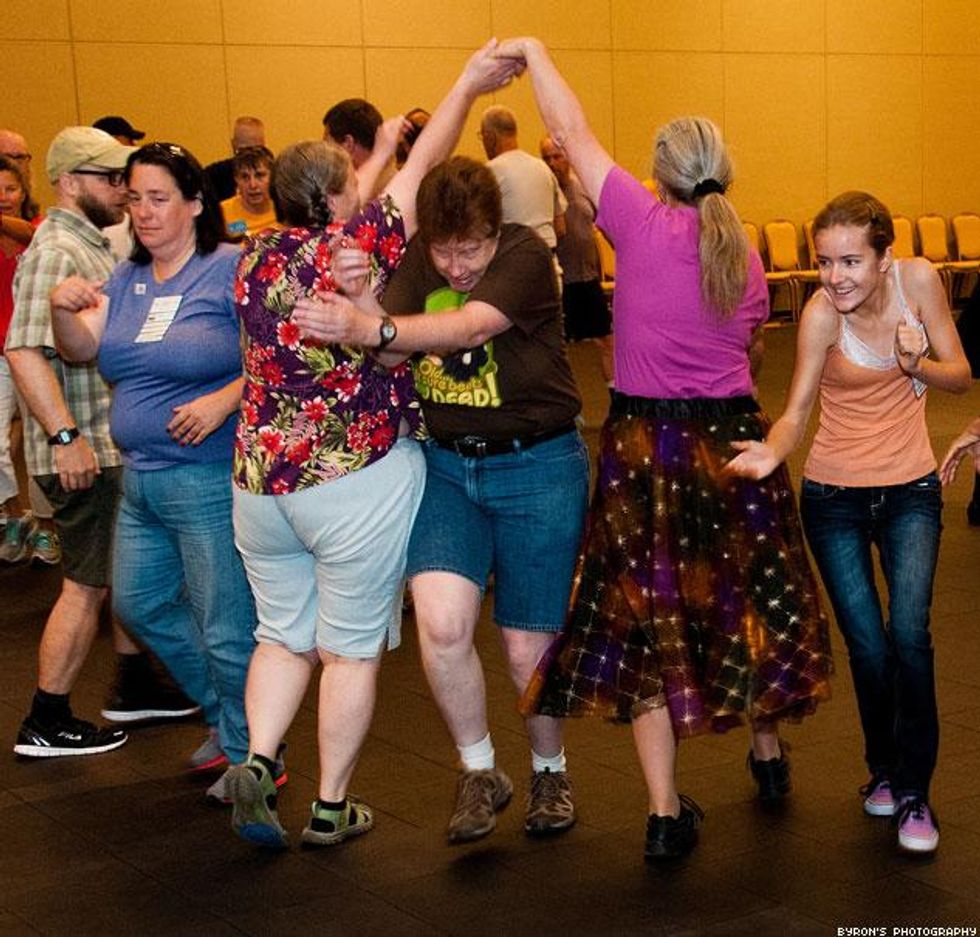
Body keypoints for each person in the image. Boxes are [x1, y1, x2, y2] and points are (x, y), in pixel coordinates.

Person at [494, 38, 833, 861]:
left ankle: (661, 812)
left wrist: (537, 52)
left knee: (649, 620)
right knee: (745, 602)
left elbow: (568, 127)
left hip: (643, 450)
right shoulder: (745, 257)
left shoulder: (638, 222)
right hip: (732, 446)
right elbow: (748, 354)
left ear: (659, 171)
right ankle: (765, 748)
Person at [224, 42, 521, 850]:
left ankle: (255, 758)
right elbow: (427, 163)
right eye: (351, 181)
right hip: (351, 477)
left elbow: (391, 168)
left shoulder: (251, 259)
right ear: (333, 196)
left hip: (258, 482)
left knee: (281, 634)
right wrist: (464, 82)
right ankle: (330, 804)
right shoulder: (355, 250)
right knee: (349, 650)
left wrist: (378, 149)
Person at [294, 153, 589, 845]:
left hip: (538, 464)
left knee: (524, 647)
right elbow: (392, 355)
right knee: (444, 626)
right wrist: (367, 297)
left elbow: (469, 328)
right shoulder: (421, 265)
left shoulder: (524, 256)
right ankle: (480, 768)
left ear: (496, 231)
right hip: (450, 468)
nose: (457, 267)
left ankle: (550, 767)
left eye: (471, 249)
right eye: (445, 249)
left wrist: (370, 325)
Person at [727, 191, 971, 855]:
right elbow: (797, 409)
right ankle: (885, 767)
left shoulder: (918, 281)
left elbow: (961, 376)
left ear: (884, 256)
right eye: (824, 261)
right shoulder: (817, 316)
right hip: (833, 495)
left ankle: (916, 791)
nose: (835, 276)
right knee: (867, 644)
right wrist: (774, 449)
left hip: (912, 487)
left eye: (851, 261)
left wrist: (917, 362)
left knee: (911, 633)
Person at [47, 141, 264, 799]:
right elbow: (81, 346)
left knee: (224, 622)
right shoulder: (127, 278)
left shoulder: (231, 267)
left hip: (205, 476)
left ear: (196, 204)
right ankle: (233, 723)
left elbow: (279, 356)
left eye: (158, 197)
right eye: (134, 197)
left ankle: (257, 749)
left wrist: (222, 399)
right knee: (140, 605)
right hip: (141, 477)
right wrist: (61, 306)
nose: (143, 211)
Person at [6, 127, 199, 758]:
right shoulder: (55, 248)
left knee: (117, 577)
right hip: (81, 445)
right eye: (110, 178)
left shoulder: (91, 246)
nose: (125, 191)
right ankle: (46, 715)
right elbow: (23, 349)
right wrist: (66, 438)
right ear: (68, 182)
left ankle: (136, 682)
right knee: (86, 584)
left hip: (101, 443)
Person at [0, 155, 47, 562]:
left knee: (42, 442)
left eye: (10, 189)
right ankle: (18, 516)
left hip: (36, 349)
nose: (3, 198)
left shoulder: (38, 229)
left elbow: (30, 237)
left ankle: (51, 528)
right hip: (0, 353)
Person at [540, 134, 613, 386]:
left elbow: (607, 224)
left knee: (606, 341)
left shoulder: (584, 188)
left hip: (587, 279)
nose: (552, 163)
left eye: (556, 156)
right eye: (546, 158)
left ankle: (615, 400)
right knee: (561, 351)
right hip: (559, 283)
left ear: (567, 157)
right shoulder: (541, 194)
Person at [479, 105, 565, 251]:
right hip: (549, 264)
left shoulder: (488, 173)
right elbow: (561, 227)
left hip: (513, 262)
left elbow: (480, 229)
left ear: (490, 137)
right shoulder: (543, 168)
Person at [220, 145, 277, 239]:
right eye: (245, 177)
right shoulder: (221, 213)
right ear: (236, 180)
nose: (253, 185)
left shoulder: (286, 208)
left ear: (273, 176)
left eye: (260, 175)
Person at [205, 117, 265, 202]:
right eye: (242, 151)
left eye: (256, 151)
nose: (248, 158)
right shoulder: (215, 176)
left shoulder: (274, 176)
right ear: (233, 145)